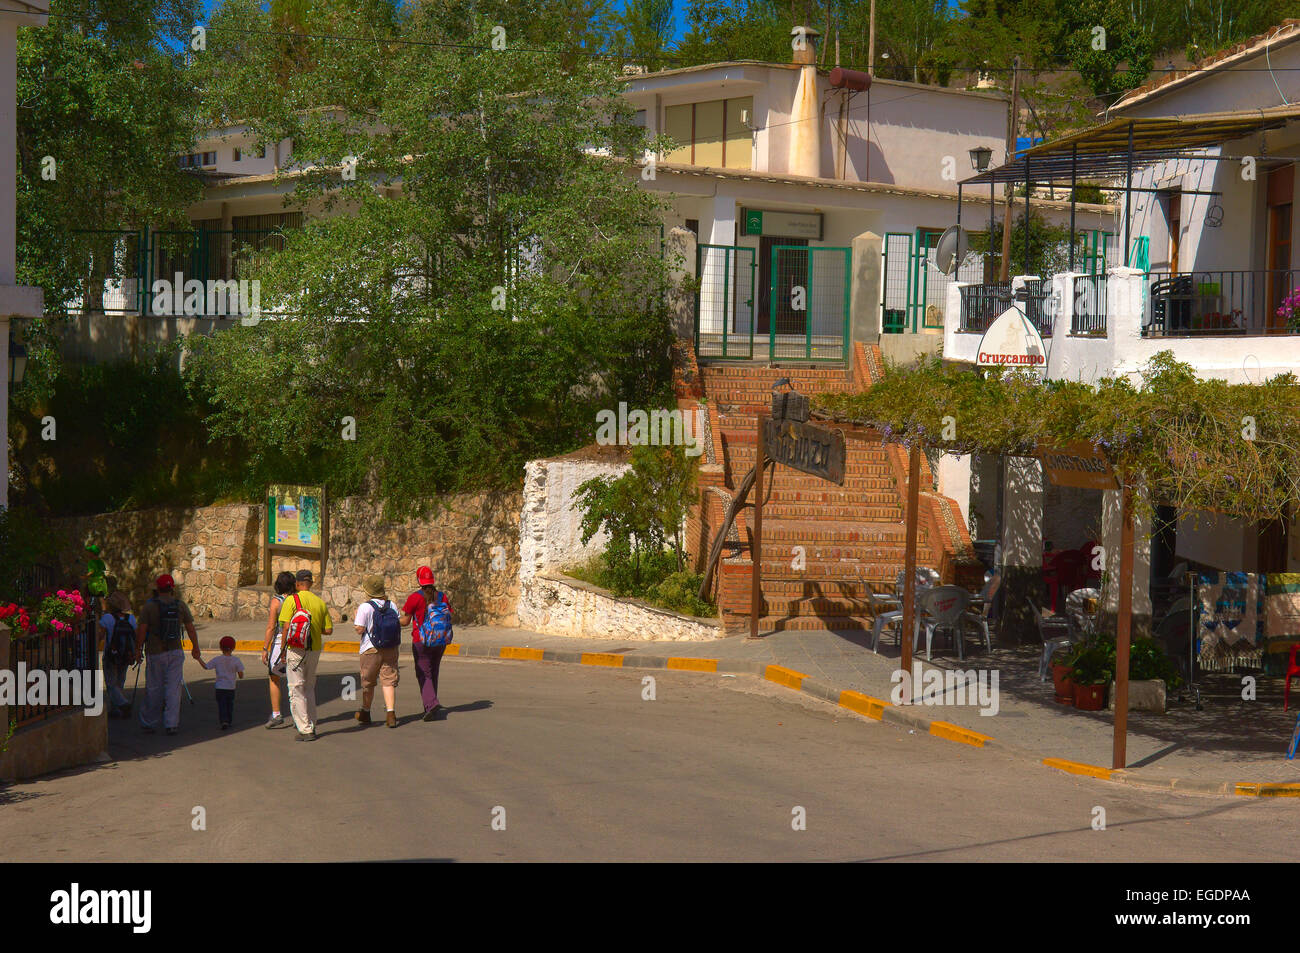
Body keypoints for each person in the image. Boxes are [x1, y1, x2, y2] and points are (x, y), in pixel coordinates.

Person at [135, 574, 200, 736]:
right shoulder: (180, 605)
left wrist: (138, 649)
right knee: (173, 688)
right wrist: (195, 647)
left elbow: (142, 629)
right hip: (175, 650)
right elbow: (190, 628)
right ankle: (171, 723)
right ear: (172, 589)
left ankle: (149, 721)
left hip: (155, 651)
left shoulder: (149, 607)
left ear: (158, 588)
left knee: (154, 687)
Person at [276, 568, 332, 741]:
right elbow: (328, 630)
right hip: (314, 649)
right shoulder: (320, 603)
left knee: (296, 688)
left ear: (297, 583)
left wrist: (283, 650)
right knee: (309, 687)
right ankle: (311, 722)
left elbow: (285, 627)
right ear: (311, 583)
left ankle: (305, 729)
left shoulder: (292, 600)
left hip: (296, 649)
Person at [400, 566, 454, 722]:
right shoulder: (442, 596)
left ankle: (431, 704)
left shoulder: (415, 598)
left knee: (423, 673)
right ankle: (430, 704)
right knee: (433, 671)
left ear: (419, 580)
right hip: (440, 639)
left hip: (421, 640)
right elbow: (449, 614)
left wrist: (392, 621)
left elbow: (406, 621)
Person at [353, 575, 402, 728]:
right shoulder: (392, 605)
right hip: (391, 647)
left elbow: (360, 629)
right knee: (388, 681)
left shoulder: (365, 607)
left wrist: (356, 618)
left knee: (368, 682)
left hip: (370, 648)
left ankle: (366, 711)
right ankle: (390, 713)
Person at [260, 571, 296, 729]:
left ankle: (276, 714)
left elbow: (271, 627)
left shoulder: (277, 601)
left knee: (274, 677)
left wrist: (264, 648)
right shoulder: (298, 598)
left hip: (280, 642)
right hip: (297, 642)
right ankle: (299, 715)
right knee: (296, 680)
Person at [97, 590, 136, 719]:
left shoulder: (107, 618)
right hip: (125, 655)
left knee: (110, 683)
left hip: (111, 655)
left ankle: (123, 704)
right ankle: (116, 709)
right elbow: (134, 636)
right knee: (120, 681)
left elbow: (100, 636)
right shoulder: (131, 618)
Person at [199, 636, 245, 729]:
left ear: (220, 647)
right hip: (231, 687)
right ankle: (229, 720)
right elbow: (241, 674)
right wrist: (239, 675)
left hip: (219, 687)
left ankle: (224, 721)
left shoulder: (217, 659)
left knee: (222, 705)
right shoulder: (236, 660)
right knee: (229, 705)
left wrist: (198, 658)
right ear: (233, 648)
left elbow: (206, 667)